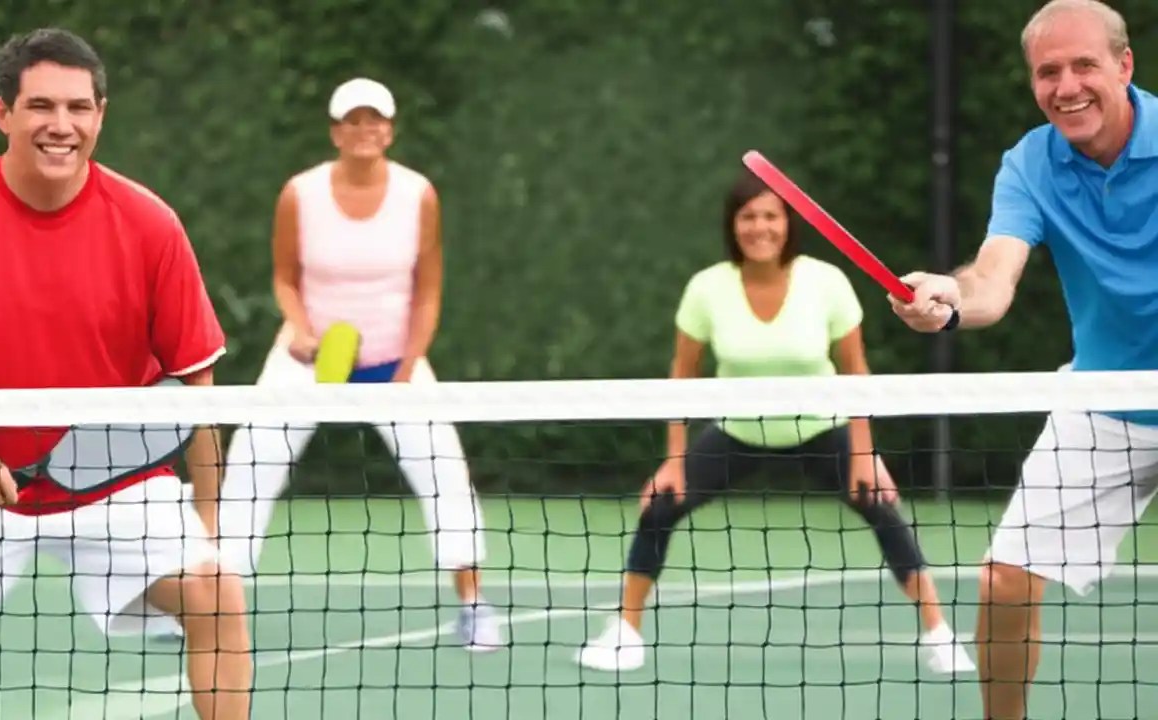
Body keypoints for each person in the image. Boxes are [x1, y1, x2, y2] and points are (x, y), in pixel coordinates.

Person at [0, 29, 251, 720]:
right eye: (41, 106)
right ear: (3, 113)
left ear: (100, 115)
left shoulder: (151, 226)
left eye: (79, 107)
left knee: (217, 592)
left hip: (118, 483)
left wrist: (209, 531)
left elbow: (196, 396)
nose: (62, 125)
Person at [576, 171, 975, 675]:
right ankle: (625, 632)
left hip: (819, 427)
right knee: (659, 508)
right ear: (733, 225)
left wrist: (864, 454)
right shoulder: (706, 289)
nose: (760, 227)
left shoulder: (827, 282)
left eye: (771, 215)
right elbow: (682, 375)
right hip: (738, 430)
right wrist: (673, 462)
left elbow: (856, 372)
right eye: (748, 216)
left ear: (788, 224)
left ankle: (939, 633)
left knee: (883, 508)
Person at [890, 1, 1158, 717]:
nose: (1066, 87)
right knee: (1003, 583)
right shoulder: (1031, 163)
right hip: (1103, 403)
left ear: (1125, 66)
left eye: (1084, 66)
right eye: (1047, 72)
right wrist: (950, 296)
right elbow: (991, 279)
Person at [211, 77, 502, 651]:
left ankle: (473, 603)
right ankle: (215, 605)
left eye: (375, 120)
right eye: (353, 120)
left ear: (389, 130)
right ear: (336, 132)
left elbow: (428, 290)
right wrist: (300, 330)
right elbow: (285, 277)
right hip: (308, 359)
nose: (365, 129)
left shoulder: (419, 194)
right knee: (249, 464)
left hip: (394, 361)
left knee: (445, 470)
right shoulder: (300, 193)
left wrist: (407, 366)